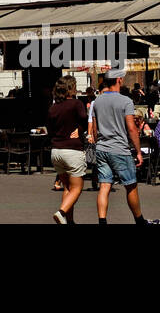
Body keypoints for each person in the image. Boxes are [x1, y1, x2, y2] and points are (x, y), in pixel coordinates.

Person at [89, 72, 159, 225]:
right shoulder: (125, 101)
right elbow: (132, 128)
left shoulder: (97, 101)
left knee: (104, 185)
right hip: (119, 148)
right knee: (131, 185)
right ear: (119, 80)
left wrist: (98, 142)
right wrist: (139, 151)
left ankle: (102, 221)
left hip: (102, 148)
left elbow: (94, 129)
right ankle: (139, 220)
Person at [48, 76, 90, 225]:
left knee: (67, 187)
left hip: (56, 151)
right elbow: (84, 120)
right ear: (70, 88)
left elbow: (50, 130)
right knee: (77, 187)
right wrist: (79, 130)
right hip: (72, 150)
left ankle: (70, 221)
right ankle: (61, 212)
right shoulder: (76, 104)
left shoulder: (53, 108)